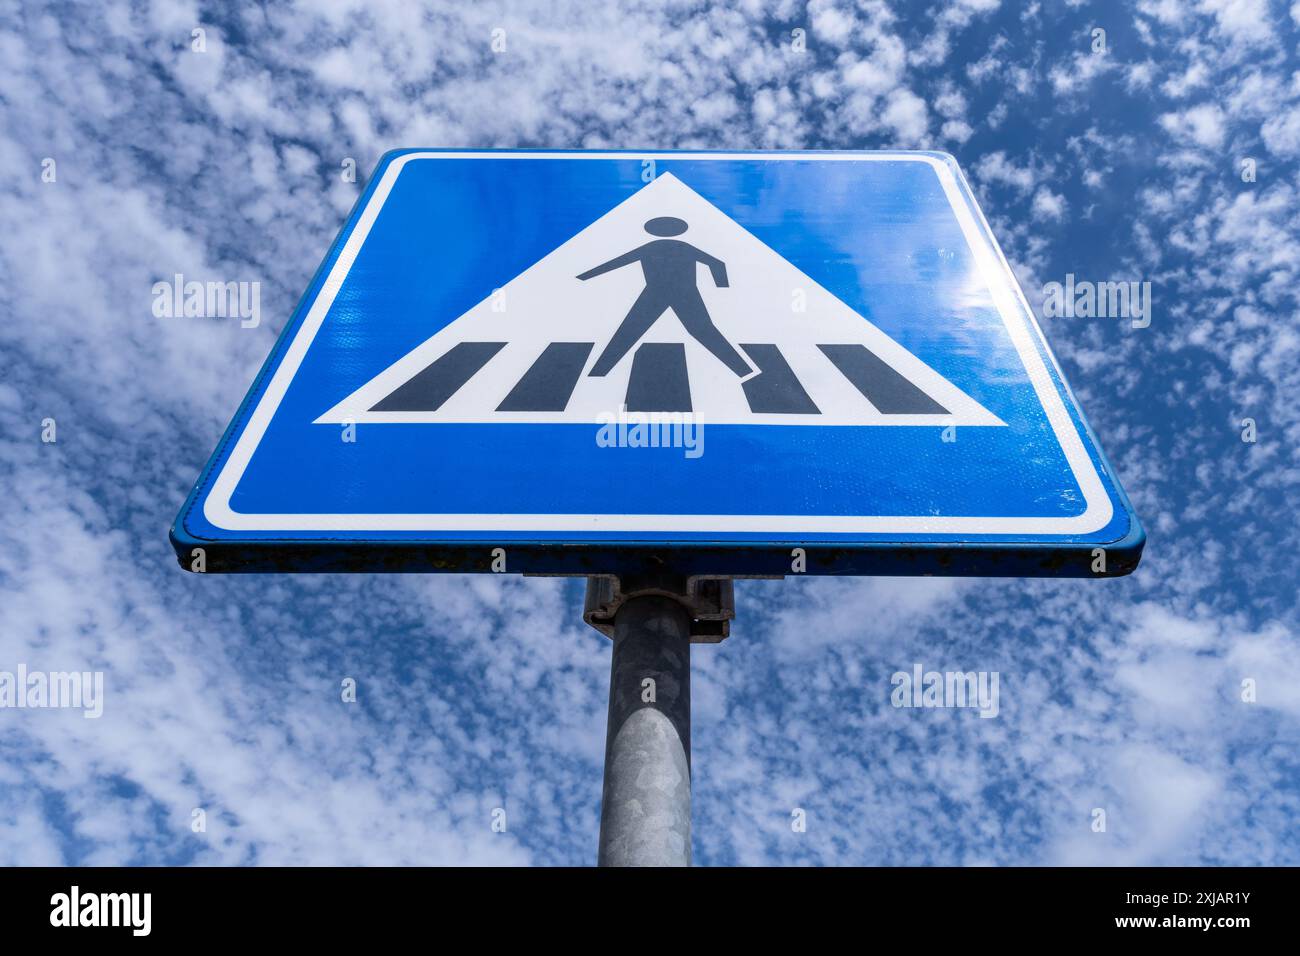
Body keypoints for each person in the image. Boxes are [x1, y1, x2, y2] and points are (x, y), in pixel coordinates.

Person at [578, 217, 754, 378]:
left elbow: (617, 262)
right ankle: (743, 371)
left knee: (630, 330)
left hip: (659, 292)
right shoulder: (684, 247)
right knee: (702, 330)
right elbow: (717, 264)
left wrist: (586, 276)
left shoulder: (652, 247)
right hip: (680, 293)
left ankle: (598, 373)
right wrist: (721, 285)